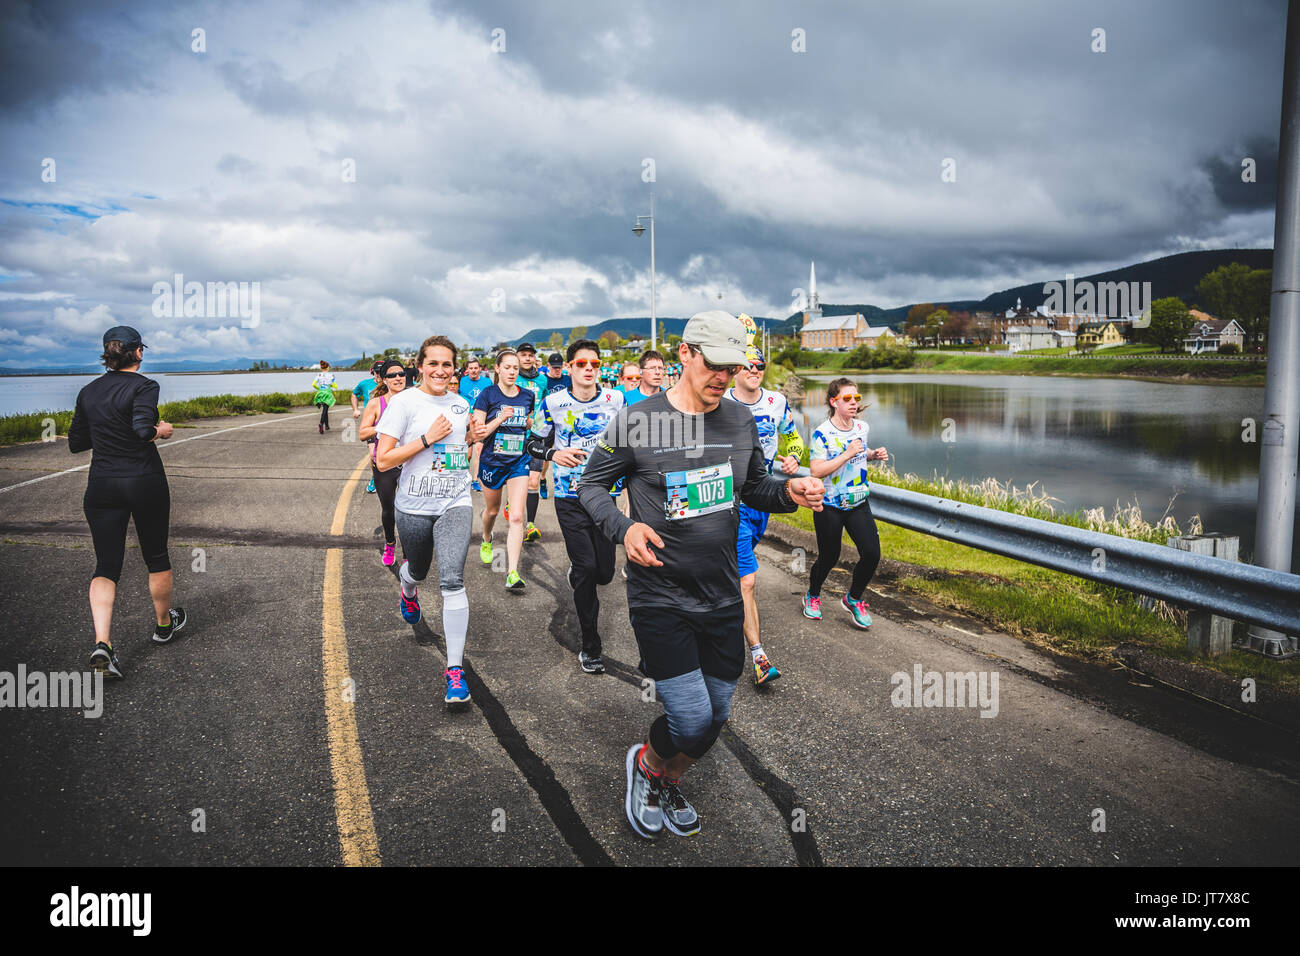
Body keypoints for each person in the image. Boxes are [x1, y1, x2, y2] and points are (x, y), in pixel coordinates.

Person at [578, 312, 824, 840]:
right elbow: (590, 487)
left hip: (722, 593)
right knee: (689, 718)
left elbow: (754, 486)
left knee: (716, 716)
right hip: (660, 594)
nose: (723, 376)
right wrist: (624, 529)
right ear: (685, 354)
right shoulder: (635, 420)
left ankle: (669, 778)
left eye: (733, 366)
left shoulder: (739, 420)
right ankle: (646, 766)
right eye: (714, 364)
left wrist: (789, 493)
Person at [68, 326, 187, 679]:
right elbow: (140, 429)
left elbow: (77, 442)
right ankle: (164, 625)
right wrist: (160, 431)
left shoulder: (89, 391)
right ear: (137, 353)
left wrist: (107, 430)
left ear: (108, 354)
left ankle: (103, 643)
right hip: (143, 481)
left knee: (106, 564)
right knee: (156, 555)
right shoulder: (145, 386)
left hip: (101, 485)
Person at [375, 336, 487, 706]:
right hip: (414, 506)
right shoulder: (404, 403)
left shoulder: (460, 403)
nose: (441, 370)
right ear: (420, 367)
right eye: (433, 364)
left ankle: (455, 671)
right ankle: (407, 590)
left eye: (447, 364)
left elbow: (457, 450)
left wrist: (472, 437)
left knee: (453, 579)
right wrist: (425, 438)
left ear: (454, 369)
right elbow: (384, 460)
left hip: (455, 501)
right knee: (419, 571)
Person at [525, 340, 625, 674]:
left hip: (605, 497)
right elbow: (533, 443)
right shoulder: (553, 402)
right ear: (569, 368)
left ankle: (582, 572)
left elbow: (630, 441)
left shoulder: (615, 400)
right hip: (570, 497)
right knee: (585, 570)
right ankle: (591, 645)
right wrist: (554, 455)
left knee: (605, 573)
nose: (588, 370)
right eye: (581, 364)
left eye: (594, 364)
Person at [724, 347, 804, 685]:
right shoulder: (722, 400)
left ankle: (722, 604)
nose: (755, 370)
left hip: (763, 495)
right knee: (748, 579)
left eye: (760, 366)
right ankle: (759, 657)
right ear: (735, 369)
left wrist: (795, 458)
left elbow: (794, 438)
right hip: (730, 497)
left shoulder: (776, 402)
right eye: (747, 366)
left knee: (733, 572)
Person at [803, 378, 887, 628]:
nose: (853, 403)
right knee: (830, 557)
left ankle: (853, 598)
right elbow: (816, 470)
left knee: (872, 553)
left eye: (856, 398)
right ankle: (813, 595)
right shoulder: (822, 433)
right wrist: (847, 453)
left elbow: (860, 452)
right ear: (833, 401)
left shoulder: (862, 427)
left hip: (858, 501)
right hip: (829, 504)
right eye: (847, 399)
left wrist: (872, 455)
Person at [473, 349, 535, 591]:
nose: (512, 372)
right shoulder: (487, 395)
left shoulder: (527, 396)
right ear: (497, 369)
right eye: (507, 367)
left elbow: (529, 424)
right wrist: (499, 418)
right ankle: (487, 539)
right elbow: (479, 432)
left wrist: (530, 423)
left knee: (517, 516)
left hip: (518, 461)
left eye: (516, 368)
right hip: (492, 462)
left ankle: (512, 572)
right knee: (492, 510)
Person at [359, 360, 407, 566]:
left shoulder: (414, 400)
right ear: (384, 380)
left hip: (409, 462)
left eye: (401, 374)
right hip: (385, 463)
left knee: (409, 510)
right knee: (389, 508)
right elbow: (363, 433)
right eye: (392, 375)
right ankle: (389, 543)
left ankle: (408, 552)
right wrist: (385, 427)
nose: (398, 378)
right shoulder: (375, 403)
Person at [514, 342, 548, 534]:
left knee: (533, 481)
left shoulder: (542, 380)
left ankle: (530, 525)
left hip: (535, 435)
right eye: (523, 354)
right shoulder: (512, 376)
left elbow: (546, 403)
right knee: (516, 479)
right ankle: (513, 506)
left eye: (530, 355)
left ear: (535, 358)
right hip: (514, 434)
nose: (527, 358)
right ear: (518, 357)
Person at [458, 358, 492, 491]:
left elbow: (491, 398)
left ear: (479, 369)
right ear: (467, 369)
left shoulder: (487, 382)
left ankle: (475, 480)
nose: (473, 370)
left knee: (479, 451)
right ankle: (463, 476)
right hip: (465, 419)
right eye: (470, 368)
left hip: (481, 420)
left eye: (475, 368)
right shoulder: (462, 381)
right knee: (468, 454)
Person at [354, 361, 385, 493]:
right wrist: (355, 409)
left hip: (389, 423)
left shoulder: (390, 383)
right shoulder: (365, 384)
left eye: (381, 372)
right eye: (376, 372)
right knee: (373, 454)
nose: (378, 375)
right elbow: (354, 394)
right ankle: (375, 477)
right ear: (372, 372)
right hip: (372, 424)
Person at [312, 360, 336, 434]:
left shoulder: (318, 375)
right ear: (328, 367)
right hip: (327, 393)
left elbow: (313, 384)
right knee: (325, 409)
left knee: (325, 409)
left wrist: (319, 388)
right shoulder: (331, 375)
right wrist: (330, 385)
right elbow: (335, 386)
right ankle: (321, 423)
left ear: (321, 368)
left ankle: (327, 425)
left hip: (320, 393)